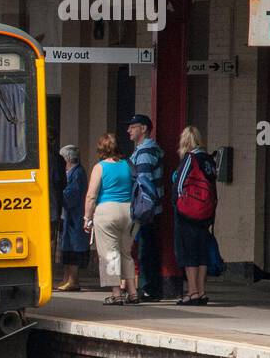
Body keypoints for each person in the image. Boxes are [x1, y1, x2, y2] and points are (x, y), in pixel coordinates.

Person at [84, 132, 137, 304]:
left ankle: (116, 293)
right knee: (126, 253)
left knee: (110, 254)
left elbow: (91, 196)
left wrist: (87, 218)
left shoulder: (100, 167)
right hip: (128, 211)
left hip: (107, 212)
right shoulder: (128, 165)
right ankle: (133, 292)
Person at [172, 125, 218, 306]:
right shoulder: (208, 161)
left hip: (187, 214)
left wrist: (177, 204)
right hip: (205, 213)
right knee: (202, 253)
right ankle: (201, 291)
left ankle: (192, 292)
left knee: (188, 253)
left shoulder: (190, 159)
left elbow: (179, 184)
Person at [127, 114, 165, 301]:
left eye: (133, 127)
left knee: (145, 251)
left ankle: (147, 288)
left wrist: (143, 209)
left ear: (143, 128)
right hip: (151, 211)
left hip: (146, 212)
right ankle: (148, 287)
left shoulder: (144, 153)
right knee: (147, 249)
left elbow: (144, 182)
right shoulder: (149, 150)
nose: (129, 130)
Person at [56, 145, 87, 291]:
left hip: (74, 217)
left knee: (73, 249)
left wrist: (58, 193)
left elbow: (71, 196)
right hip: (68, 217)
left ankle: (73, 280)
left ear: (67, 159)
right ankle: (66, 278)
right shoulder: (71, 172)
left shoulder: (77, 173)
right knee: (67, 249)